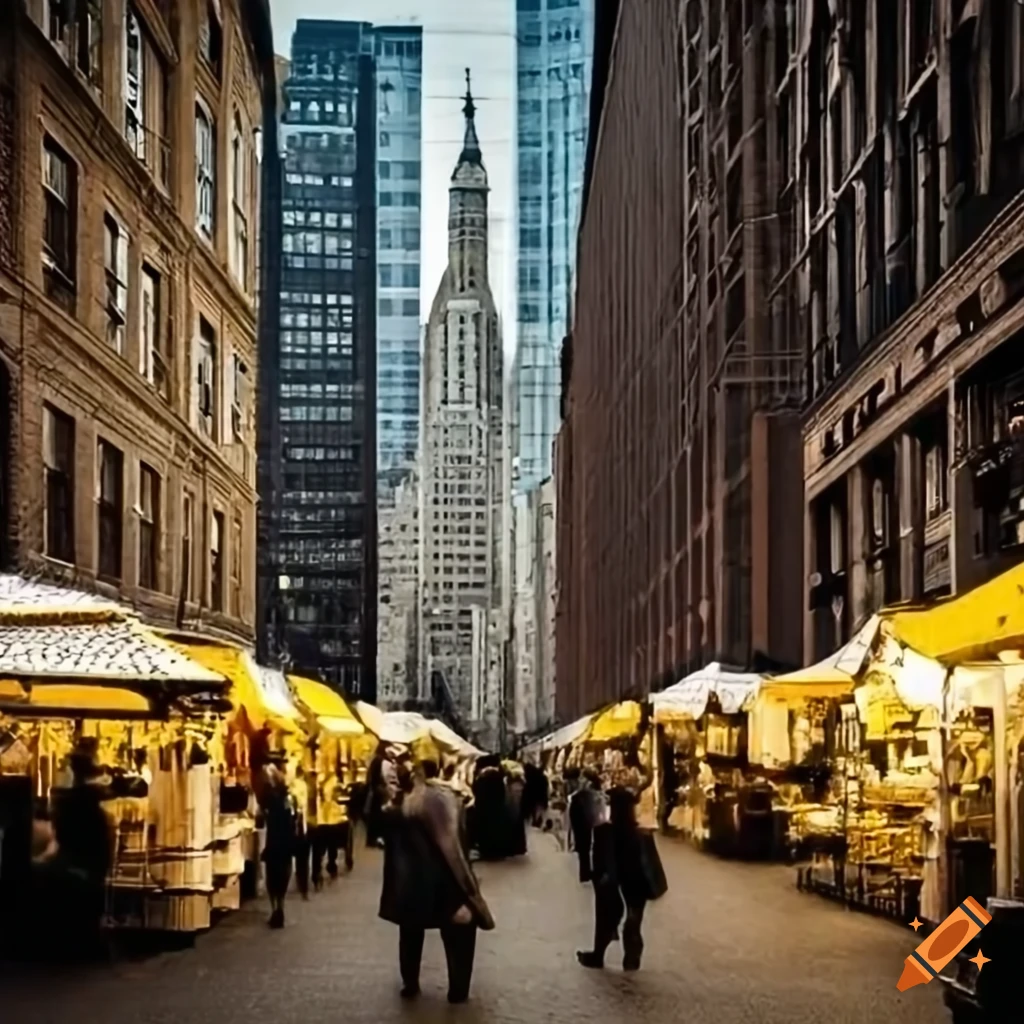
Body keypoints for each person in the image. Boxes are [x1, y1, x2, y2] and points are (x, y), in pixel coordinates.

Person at [379, 760, 495, 1004]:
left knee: (410, 931)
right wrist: (470, 890)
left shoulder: (398, 803)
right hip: (443, 881)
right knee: (461, 932)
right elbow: (452, 847)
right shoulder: (440, 798)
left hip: (409, 883)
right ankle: (458, 989)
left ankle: (410, 983)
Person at [577, 782, 666, 972]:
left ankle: (599, 954)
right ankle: (630, 957)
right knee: (633, 920)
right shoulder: (641, 833)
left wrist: (596, 876)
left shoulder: (604, 832)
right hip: (636, 881)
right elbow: (651, 863)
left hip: (613, 881)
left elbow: (598, 859)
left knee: (606, 918)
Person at [260, 764, 298, 928]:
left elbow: (262, 818)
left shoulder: (268, 797)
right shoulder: (287, 797)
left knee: (273, 875)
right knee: (282, 872)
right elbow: (293, 816)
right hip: (285, 839)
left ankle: (276, 907)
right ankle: (279, 907)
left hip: (275, 838)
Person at [568, 770, 602, 882]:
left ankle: (586, 873)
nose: (580, 780)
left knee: (585, 849)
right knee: (584, 849)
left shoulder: (587, 794)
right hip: (582, 823)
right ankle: (585, 873)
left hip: (584, 823)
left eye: (583, 778)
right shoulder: (582, 795)